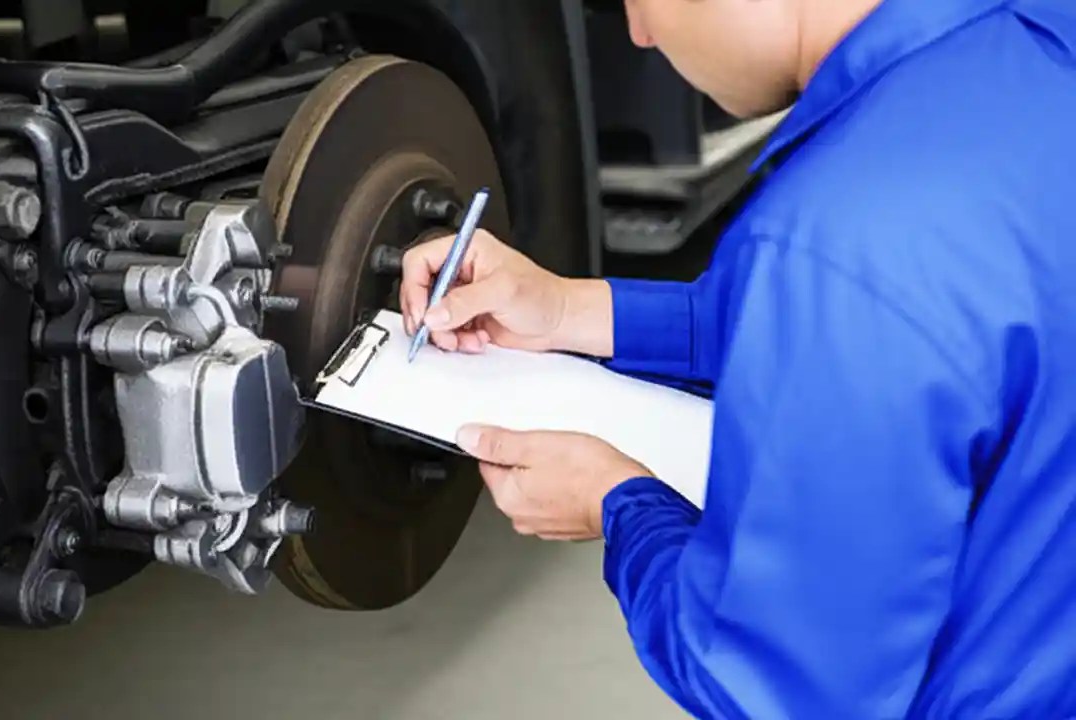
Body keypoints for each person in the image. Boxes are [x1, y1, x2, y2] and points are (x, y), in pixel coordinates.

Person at [398, 0, 1076, 716]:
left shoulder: (843, 234)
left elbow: (772, 689)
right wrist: (570, 310)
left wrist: (620, 502)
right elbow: (915, 333)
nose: (640, 33)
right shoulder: (1030, 50)